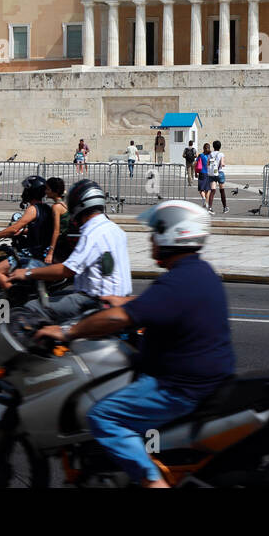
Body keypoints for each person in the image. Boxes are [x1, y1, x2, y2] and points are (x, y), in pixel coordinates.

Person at [35, 200, 234, 488]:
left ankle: (153, 482)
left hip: (179, 386)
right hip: (205, 377)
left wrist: (68, 332)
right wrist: (126, 302)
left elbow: (118, 319)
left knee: (104, 416)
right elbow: (160, 305)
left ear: (171, 235)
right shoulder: (198, 273)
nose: (150, 239)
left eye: (155, 232)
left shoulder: (177, 282)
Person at [15, 179, 133, 322]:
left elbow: (67, 270)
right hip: (118, 298)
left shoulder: (92, 232)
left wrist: (28, 273)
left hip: (96, 302)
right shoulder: (115, 229)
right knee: (57, 297)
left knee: (33, 306)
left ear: (79, 204)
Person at [0, 176, 59, 292]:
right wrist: (24, 231)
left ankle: (16, 300)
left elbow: (14, 228)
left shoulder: (33, 209)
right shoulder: (46, 208)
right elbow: (41, 229)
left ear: (31, 191)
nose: (23, 192)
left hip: (33, 252)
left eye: (25, 190)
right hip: (42, 251)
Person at [209, 140, 228, 214]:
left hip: (212, 173)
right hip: (219, 173)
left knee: (213, 191)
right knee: (222, 191)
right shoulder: (221, 154)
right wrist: (222, 164)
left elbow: (208, 163)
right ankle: (225, 207)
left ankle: (210, 208)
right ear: (220, 147)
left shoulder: (210, 154)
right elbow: (222, 163)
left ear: (213, 147)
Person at [197, 142, 213, 211]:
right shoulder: (211, 156)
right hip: (209, 174)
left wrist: (195, 172)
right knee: (208, 189)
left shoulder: (200, 155)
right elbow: (212, 165)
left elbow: (196, 164)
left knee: (201, 189)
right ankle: (206, 202)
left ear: (203, 148)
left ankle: (203, 198)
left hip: (201, 173)